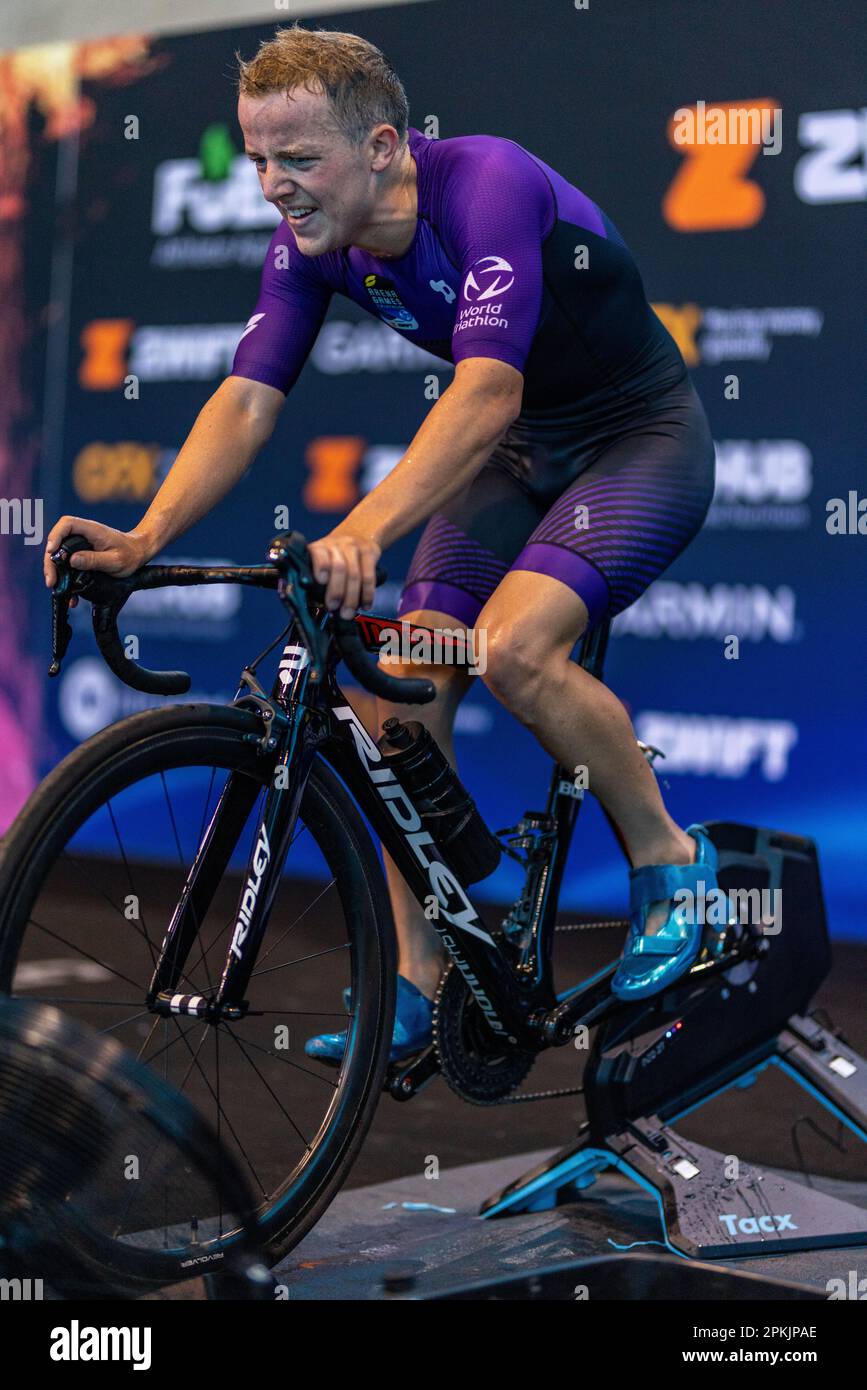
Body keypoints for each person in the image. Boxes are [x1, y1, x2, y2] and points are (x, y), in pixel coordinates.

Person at [44, 24, 720, 1063]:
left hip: (637, 438)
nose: (271, 184)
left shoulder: (485, 182)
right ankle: (422, 971)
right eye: (259, 157)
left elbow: (488, 389)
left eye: (298, 158)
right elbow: (248, 399)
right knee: (396, 677)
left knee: (512, 649)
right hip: (521, 450)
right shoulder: (310, 243)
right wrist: (143, 536)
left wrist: (361, 529)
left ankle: (671, 862)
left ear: (385, 146)